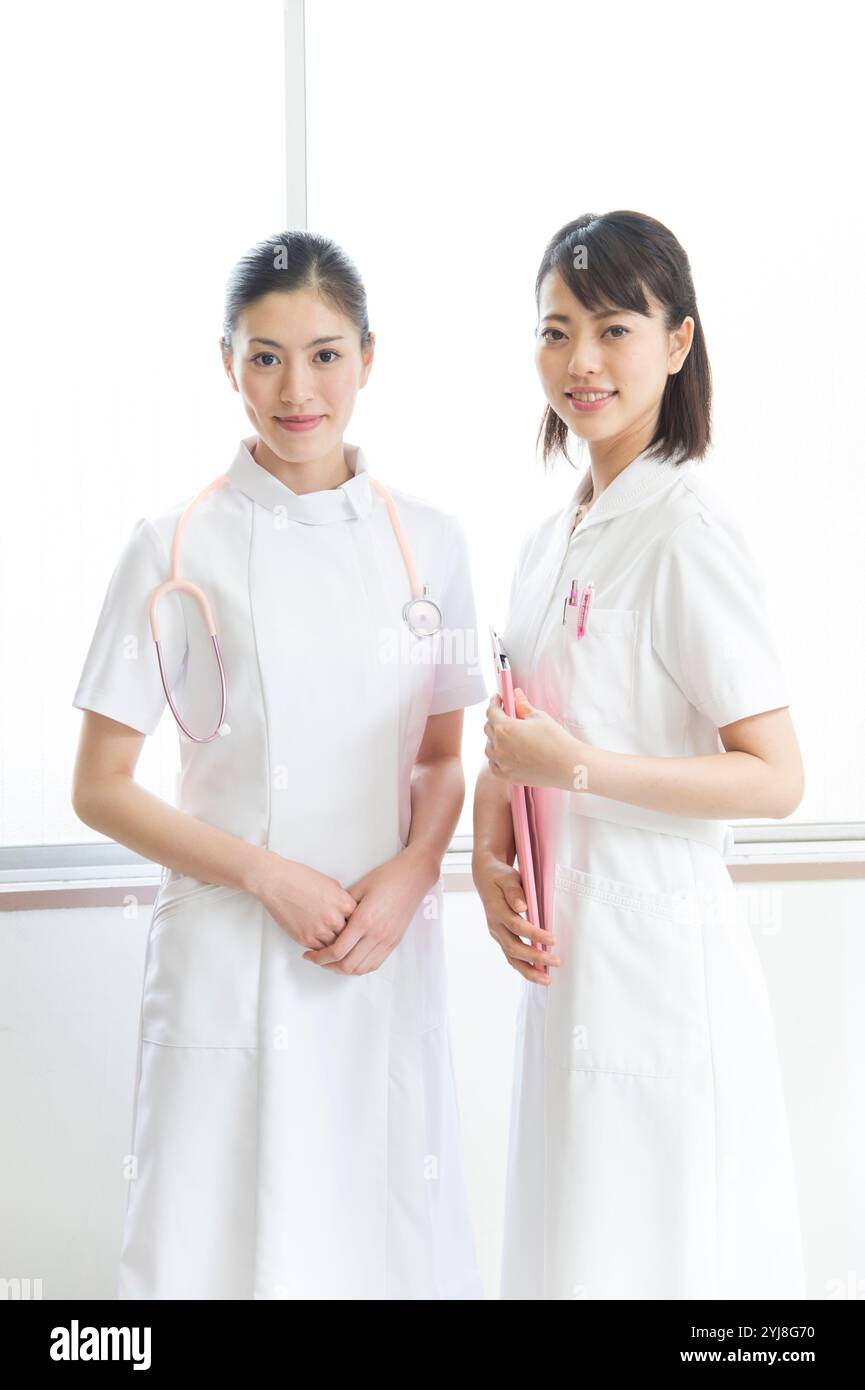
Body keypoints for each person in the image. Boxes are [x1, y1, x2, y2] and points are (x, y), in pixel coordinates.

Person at [71, 229, 488, 1300]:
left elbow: (444, 756)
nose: (295, 388)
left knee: (377, 1238)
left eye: (324, 353)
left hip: (377, 951)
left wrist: (406, 878)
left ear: (367, 357)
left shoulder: (429, 543)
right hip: (228, 951)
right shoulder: (170, 544)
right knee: (216, 1253)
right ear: (227, 364)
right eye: (264, 356)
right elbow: (101, 785)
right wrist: (264, 872)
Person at [473, 210, 808, 1300]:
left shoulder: (686, 533)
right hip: (567, 967)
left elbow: (773, 773)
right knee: (571, 1257)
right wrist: (489, 852)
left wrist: (572, 768)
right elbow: (522, 734)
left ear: (676, 344)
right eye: (555, 330)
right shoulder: (545, 540)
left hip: (661, 965)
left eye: (613, 328)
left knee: (665, 1268)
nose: (579, 362)